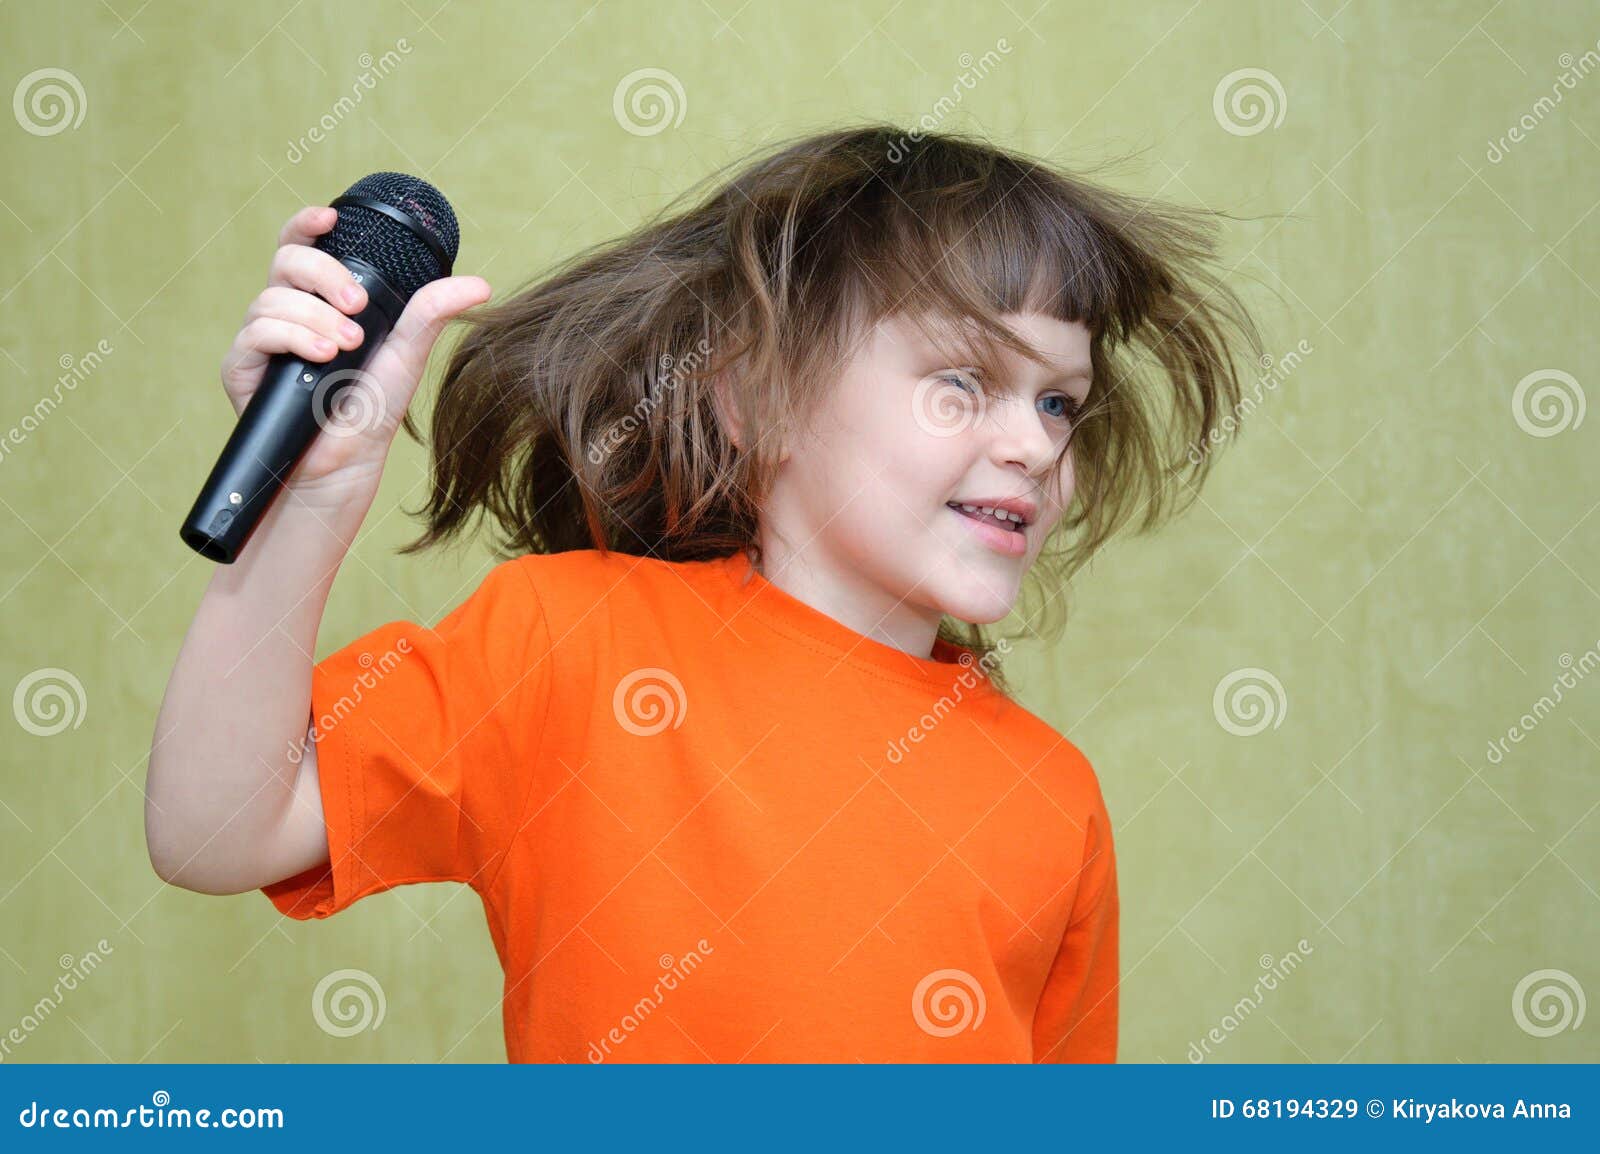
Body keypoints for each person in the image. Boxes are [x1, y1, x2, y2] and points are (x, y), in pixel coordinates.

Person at [146, 122, 1263, 1063]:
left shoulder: (1053, 800)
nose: (1034, 444)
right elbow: (213, 832)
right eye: (965, 378)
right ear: (756, 398)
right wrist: (309, 505)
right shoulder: (569, 640)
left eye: (1059, 401)